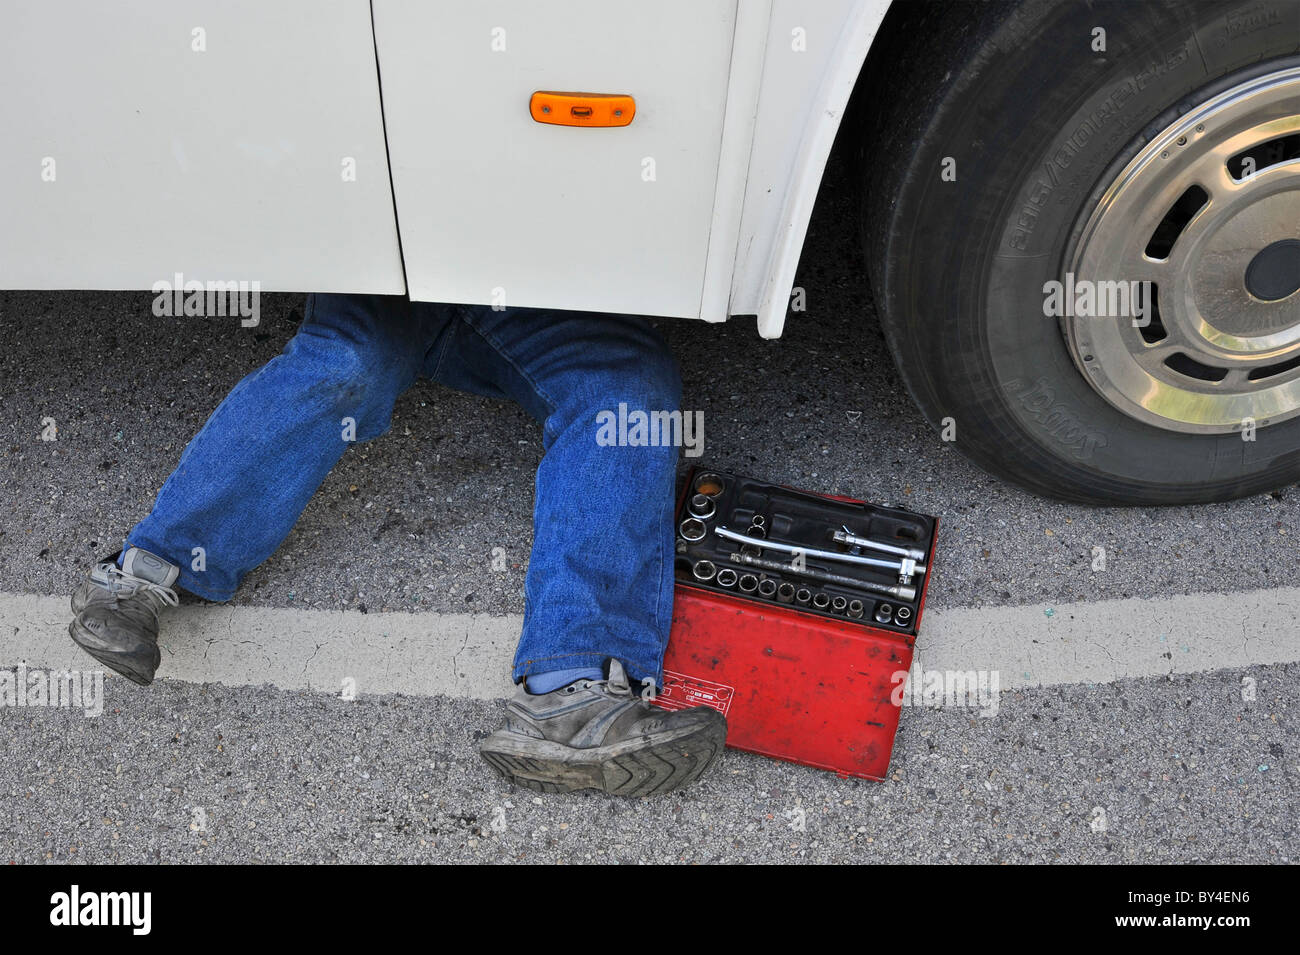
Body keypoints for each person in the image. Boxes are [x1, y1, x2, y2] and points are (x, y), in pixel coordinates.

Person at [67, 293, 725, 796]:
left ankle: (571, 697)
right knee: (350, 363)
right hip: (394, 251)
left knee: (626, 392)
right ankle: (141, 576)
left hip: (525, 278)